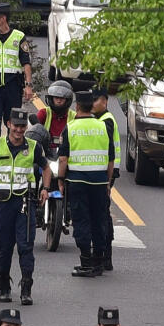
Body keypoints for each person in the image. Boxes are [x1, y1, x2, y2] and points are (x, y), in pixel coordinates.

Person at [0, 111, 46, 305]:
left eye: (22, 127)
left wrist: (46, 190)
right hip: (2, 204)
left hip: (25, 205)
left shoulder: (33, 146)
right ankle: (5, 287)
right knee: (4, 248)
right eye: (15, 126)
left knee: (26, 247)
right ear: (8, 124)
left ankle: (26, 288)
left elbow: (47, 168)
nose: (19, 130)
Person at [64, 89, 117, 277]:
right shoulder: (102, 126)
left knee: (81, 221)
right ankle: (98, 262)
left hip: (77, 181)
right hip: (100, 182)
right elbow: (111, 159)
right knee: (99, 220)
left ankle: (86, 263)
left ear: (77, 106)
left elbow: (63, 159)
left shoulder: (70, 127)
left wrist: (62, 180)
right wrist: (108, 182)